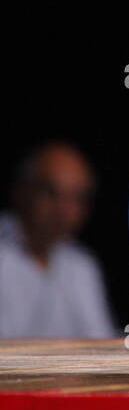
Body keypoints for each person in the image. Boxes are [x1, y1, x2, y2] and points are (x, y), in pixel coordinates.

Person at [0, 142, 116, 338]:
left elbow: (101, 340)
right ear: (22, 190)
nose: (64, 210)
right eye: (52, 193)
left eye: (77, 198)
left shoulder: (82, 266)